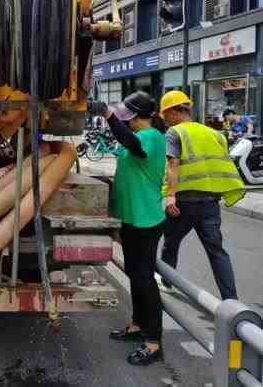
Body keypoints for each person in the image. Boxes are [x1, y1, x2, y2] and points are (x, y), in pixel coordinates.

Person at [95, 92, 167, 366]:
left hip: (146, 218)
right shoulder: (136, 139)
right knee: (135, 275)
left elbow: (130, 141)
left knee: (144, 279)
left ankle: (153, 341)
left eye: (128, 115)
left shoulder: (151, 137)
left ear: (137, 115)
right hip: (131, 218)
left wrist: (108, 115)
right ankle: (138, 326)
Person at [159, 91, 245, 300]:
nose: (165, 120)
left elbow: (172, 164)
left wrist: (170, 196)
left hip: (184, 202)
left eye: (166, 115)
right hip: (210, 203)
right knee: (217, 252)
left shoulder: (175, 132)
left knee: (171, 243)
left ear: (174, 111)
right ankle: (231, 300)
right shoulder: (215, 134)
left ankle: (167, 282)